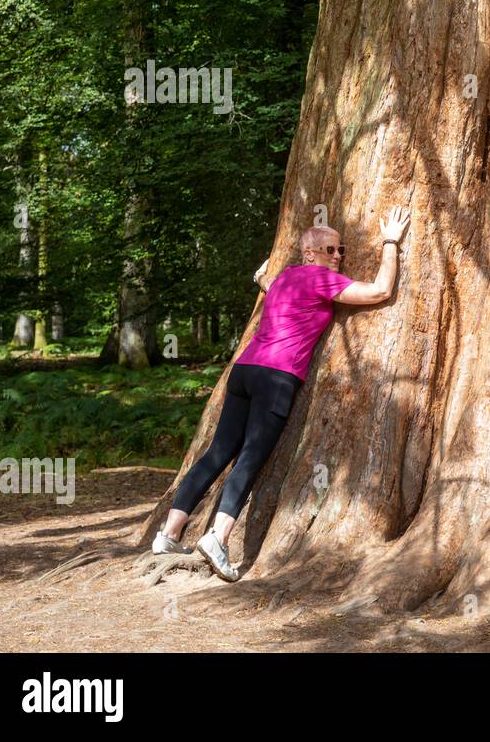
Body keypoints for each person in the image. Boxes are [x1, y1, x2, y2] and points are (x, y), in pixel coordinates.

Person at [150, 206, 410, 581]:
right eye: (332, 250)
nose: (339, 257)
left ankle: (169, 535)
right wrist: (390, 242)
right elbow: (380, 291)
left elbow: (276, 289)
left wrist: (261, 279)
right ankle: (217, 539)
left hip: (245, 371)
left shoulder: (287, 278)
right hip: (277, 377)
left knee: (219, 452)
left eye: (342, 250)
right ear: (311, 254)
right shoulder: (320, 279)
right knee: (251, 457)